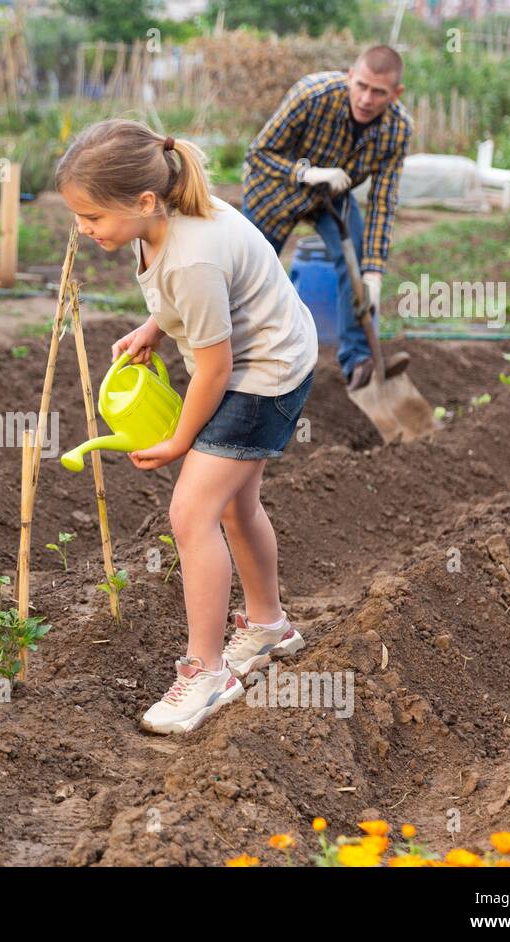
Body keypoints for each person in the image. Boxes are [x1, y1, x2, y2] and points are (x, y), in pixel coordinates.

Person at [56, 119, 316, 735]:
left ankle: (205, 673)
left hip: (263, 374)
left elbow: (217, 366)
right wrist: (154, 327)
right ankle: (268, 627)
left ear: (144, 201)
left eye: (92, 217)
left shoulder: (191, 253)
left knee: (190, 514)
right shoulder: (162, 223)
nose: (84, 229)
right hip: (263, 358)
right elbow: (200, 307)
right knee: (233, 504)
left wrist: (178, 441)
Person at [242, 45, 412, 390]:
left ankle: (360, 363)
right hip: (277, 190)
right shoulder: (313, 94)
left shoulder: (397, 129)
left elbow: (383, 201)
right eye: (361, 85)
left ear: (396, 94)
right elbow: (258, 153)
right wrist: (307, 173)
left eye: (378, 92)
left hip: (333, 198)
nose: (366, 98)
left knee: (358, 264)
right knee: (246, 273)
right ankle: (236, 353)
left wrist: (374, 273)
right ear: (350, 76)